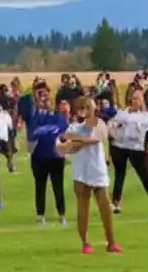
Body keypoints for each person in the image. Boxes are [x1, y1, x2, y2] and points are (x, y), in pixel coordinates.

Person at [58, 98, 120, 254]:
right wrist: (73, 141)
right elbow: (68, 147)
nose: (88, 110)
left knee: (105, 207)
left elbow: (95, 139)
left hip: (97, 171)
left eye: (90, 107)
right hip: (81, 171)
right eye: (84, 107)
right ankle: (85, 243)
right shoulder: (75, 126)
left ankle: (111, 241)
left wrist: (74, 139)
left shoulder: (100, 124)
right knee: (83, 207)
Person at [108, 89, 148, 214]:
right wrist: (113, 133)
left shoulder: (145, 117)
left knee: (146, 177)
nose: (134, 101)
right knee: (119, 175)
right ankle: (115, 204)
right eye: (133, 98)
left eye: (137, 99)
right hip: (119, 147)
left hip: (136, 149)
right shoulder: (122, 113)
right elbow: (110, 124)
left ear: (142, 101)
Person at [28, 93, 69, 226]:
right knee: (40, 187)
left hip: (55, 157)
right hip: (39, 157)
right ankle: (41, 215)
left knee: (58, 187)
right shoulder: (37, 117)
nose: (46, 103)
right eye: (43, 101)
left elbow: (64, 134)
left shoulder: (59, 118)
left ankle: (62, 215)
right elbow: (32, 135)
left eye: (48, 100)